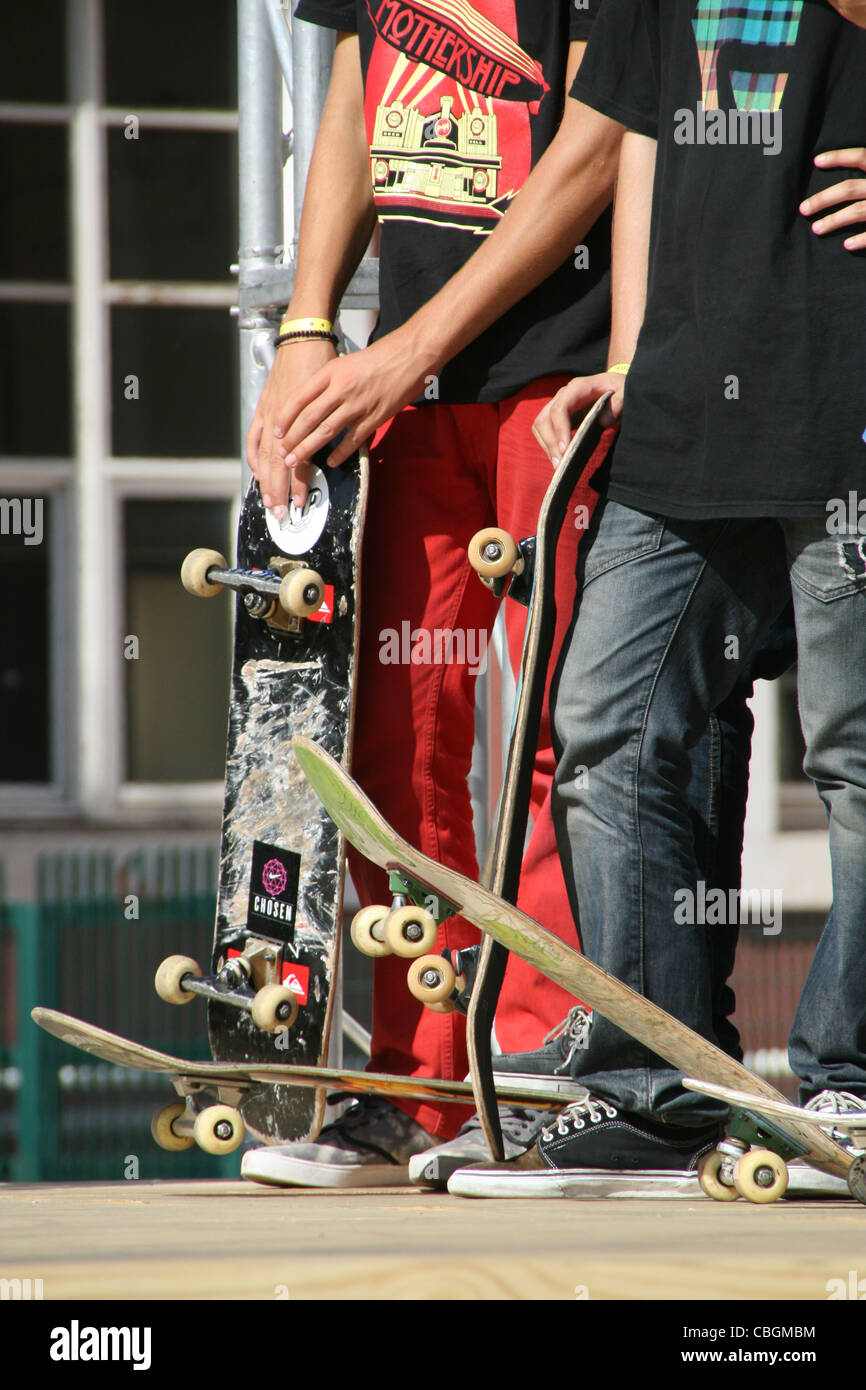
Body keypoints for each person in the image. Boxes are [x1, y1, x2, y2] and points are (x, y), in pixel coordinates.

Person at [445, 0, 866, 1197]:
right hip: (681, 406)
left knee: (849, 752)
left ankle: (847, 1080)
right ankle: (656, 1084)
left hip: (842, 394)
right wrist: (630, 354)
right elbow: (635, 140)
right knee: (608, 729)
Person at [242, 0, 622, 1190]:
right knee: (395, 736)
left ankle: (538, 1071)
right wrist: (311, 321)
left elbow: (597, 144)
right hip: (402, 386)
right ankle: (420, 1079)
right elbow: (359, 89)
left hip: (560, 371)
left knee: (569, 730)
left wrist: (402, 346)